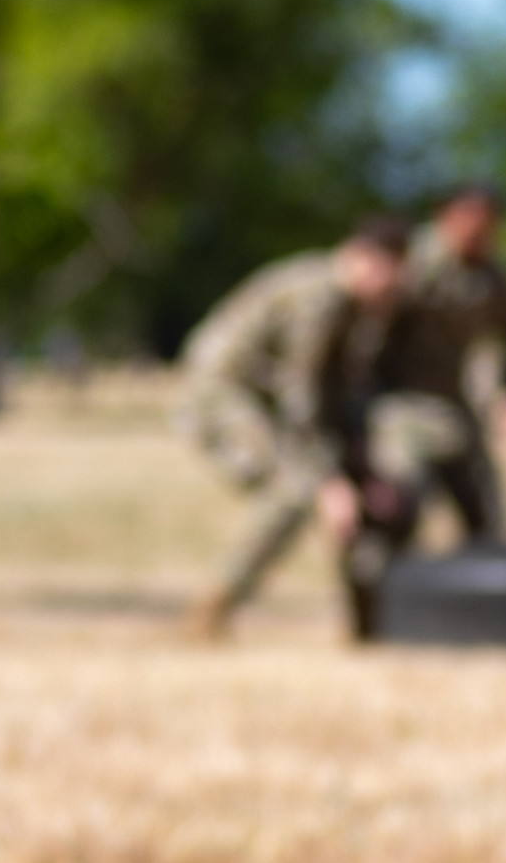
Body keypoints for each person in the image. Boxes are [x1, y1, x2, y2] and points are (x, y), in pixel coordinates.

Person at [176, 217, 413, 641]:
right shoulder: (318, 298)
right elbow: (299, 400)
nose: (392, 294)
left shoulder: (352, 311)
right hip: (224, 395)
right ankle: (214, 607)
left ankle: (369, 626)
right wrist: (330, 483)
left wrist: (361, 469)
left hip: (272, 408)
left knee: (360, 493)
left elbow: (338, 400)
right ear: (366, 260)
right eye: (390, 280)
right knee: (294, 489)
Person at [371, 184, 506, 552]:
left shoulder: (498, 275)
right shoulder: (412, 263)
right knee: (401, 505)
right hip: (396, 400)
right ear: (444, 219)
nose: (478, 230)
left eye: (488, 221)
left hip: (452, 401)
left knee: (488, 515)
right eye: (468, 219)